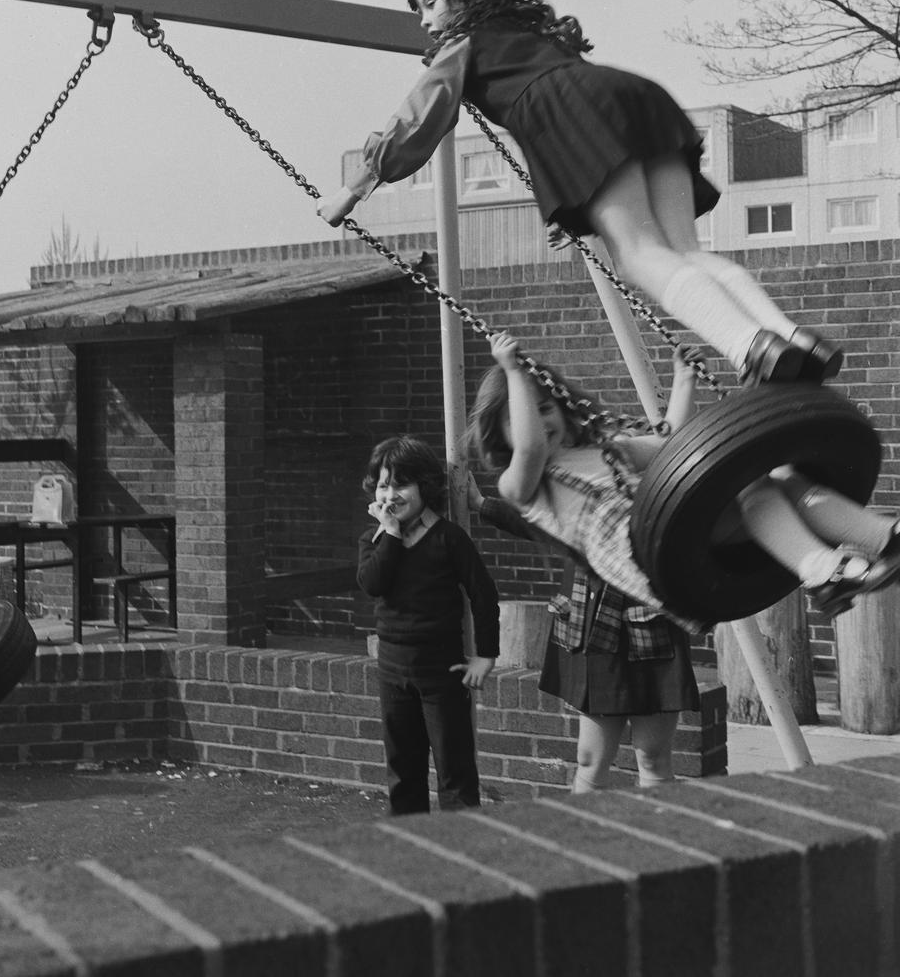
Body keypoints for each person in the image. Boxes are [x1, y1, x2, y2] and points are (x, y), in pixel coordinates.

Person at [317, 0, 841, 387]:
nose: (426, 20)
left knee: (639, 255)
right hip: (631, 96)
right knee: (684, 250)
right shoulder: (533, 36)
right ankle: (794, 338)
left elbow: (416, 121)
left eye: (431, 3)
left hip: (572, 113)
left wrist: (355, 187)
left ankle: (749, 346)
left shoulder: (464, 47)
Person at [468, 334, 900, 630]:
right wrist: (512, 371)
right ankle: (824, 570)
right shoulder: (522, 486)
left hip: (682, 525)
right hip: (649, 548)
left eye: (545, 408)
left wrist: (684, 379)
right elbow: (530, 449)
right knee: (756, 490)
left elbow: (673, 444)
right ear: (500, 432)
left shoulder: (607, 447)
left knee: (778, 481)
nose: (538, 423)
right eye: (521, 414)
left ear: (562, 406)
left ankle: (879, 540)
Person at [466, 473, 698, 792]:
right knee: (590, 760)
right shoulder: (582, 498)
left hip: (651, 639)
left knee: (653, 758)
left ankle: (657, 838)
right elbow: (537, 522)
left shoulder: (663, 503)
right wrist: (482, 504)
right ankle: (585, 839)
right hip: (597, 638)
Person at [357, 435, 499, 815]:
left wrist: (486, 655)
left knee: (454, 771)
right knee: (403, 769)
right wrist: (388, 533)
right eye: (384, 485)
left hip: (442, 670)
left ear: (425, 486)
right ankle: (412, 850)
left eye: (401, 484)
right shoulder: (373, 540)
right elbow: (373, 584)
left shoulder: (448, 539)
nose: (391, 494)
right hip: (392, 669)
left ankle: (459, 846)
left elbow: (483, 594)